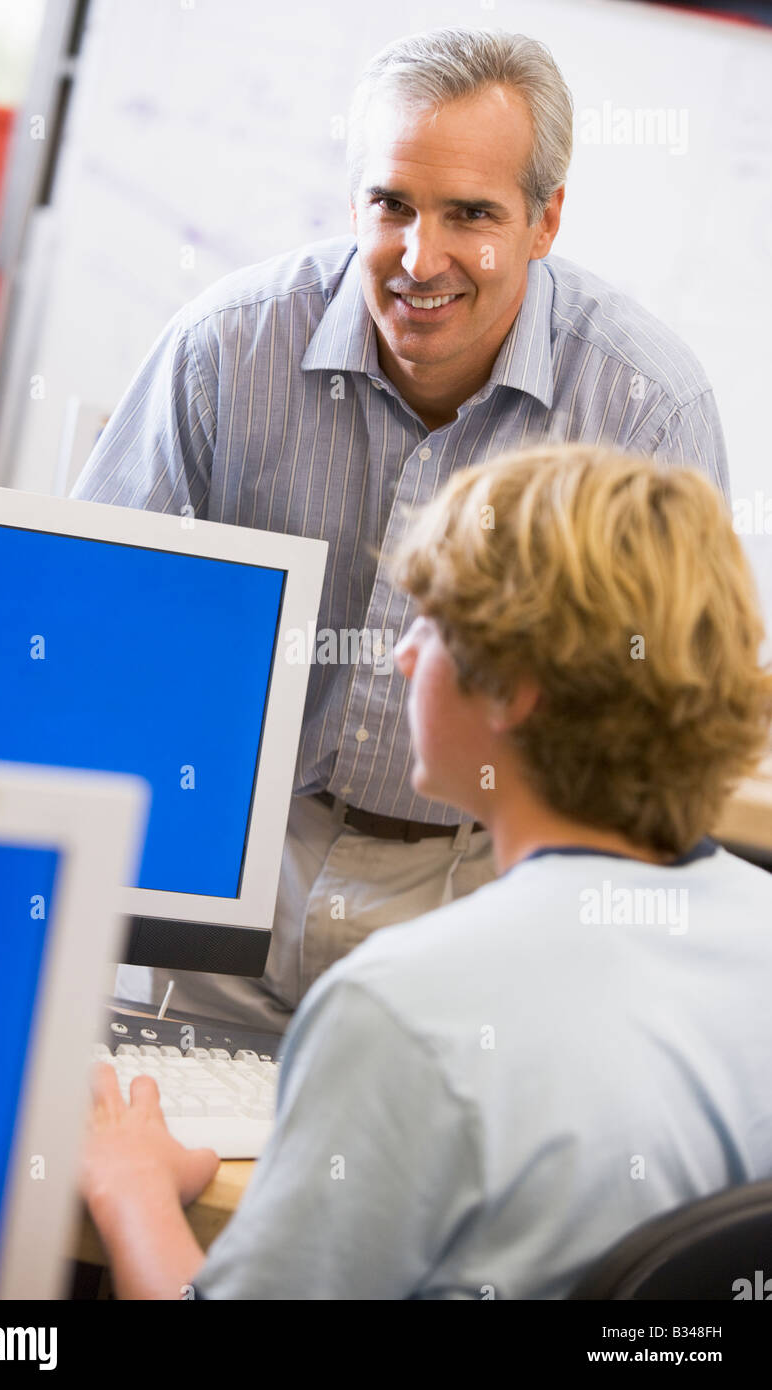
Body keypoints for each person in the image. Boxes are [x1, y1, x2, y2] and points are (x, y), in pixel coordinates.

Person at [71, 27, 730, 1031]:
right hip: (226, 858)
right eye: (392, 205)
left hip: (478, 892)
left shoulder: (642, 410)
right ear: (355, 200)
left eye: (470, 214)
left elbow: (665, 726)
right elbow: (93, 627)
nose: (421, 259)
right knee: (152, 1144)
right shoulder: (224, 348)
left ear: (545, 219)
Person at [81, 442, 772, 1300]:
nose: (402, 657)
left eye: (429, 623)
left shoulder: (402, 1009)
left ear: (515, 687)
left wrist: (130, 1187)